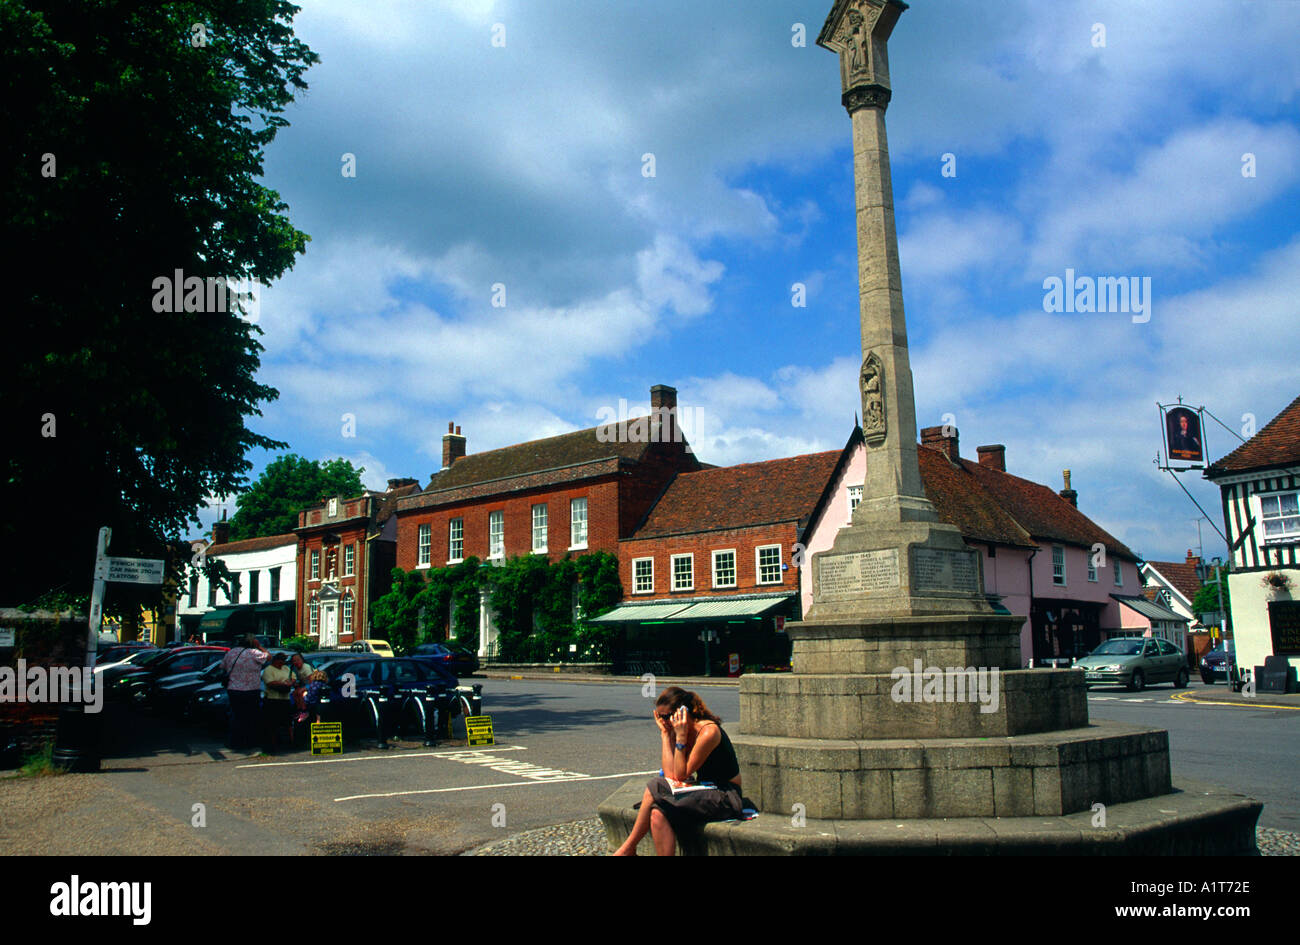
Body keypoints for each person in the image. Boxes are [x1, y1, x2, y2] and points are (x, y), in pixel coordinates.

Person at [613, 686, 746, 856]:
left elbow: (680, 775)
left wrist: (680, 739)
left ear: (683, 713)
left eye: (667, 717)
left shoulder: (708, 732)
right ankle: (628, 849)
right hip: (704, 789)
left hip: (726, 796)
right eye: (660, 717)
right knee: (656, 812)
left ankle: (628, 848)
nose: (664, 721)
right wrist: (666, 736)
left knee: (655, 785)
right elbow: (671, 777)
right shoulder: (679, 731)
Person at [221, 634, 270, 751]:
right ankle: (249, 742)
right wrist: (260, 646)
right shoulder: (254, 653)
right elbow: (269, 657)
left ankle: (234, 742)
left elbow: (222, 666)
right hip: (251, 689)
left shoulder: (231, 653)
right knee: (251, 717)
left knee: (236, 716)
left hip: (234, 689)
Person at [261, 651, 294, 754]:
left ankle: (291, 743)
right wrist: (284, 683)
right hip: (272, 699)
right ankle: (272, 745)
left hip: (285, 699)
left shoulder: (286, 668)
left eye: (283, 662)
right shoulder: (268, 670)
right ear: (275, 661)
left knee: (287, 722)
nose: (281, 664)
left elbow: (293, 678)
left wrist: (290, 682)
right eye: (280, 662)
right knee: (272, 724)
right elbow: (270, 683)